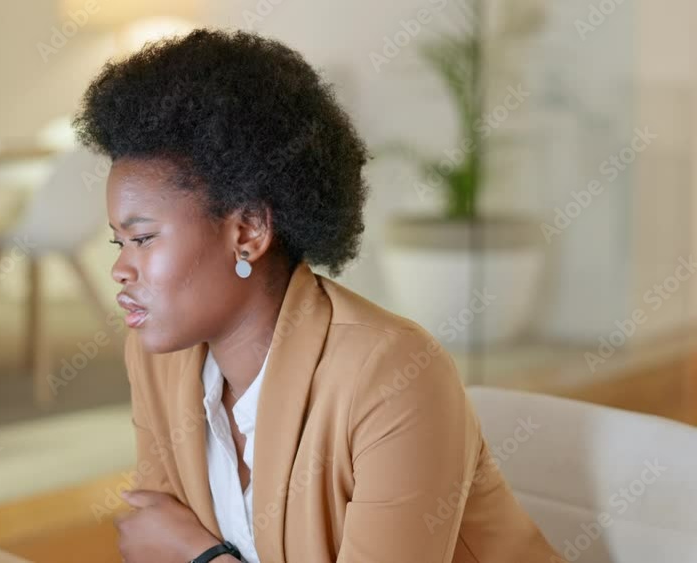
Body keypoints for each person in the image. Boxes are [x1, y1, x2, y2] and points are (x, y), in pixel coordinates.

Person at [74, 28, 561, 563]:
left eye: (143, 238)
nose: (120, 268)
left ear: (249, 231)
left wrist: (202, 557)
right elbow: (150, 545)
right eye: (119, 242)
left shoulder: (392, 375)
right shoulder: (159, 361)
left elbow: (169, 548)